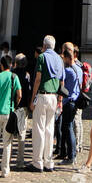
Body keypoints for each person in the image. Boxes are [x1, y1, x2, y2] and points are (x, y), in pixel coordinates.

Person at [29, 34, 64, 173]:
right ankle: (48, 162)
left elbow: (37, 79)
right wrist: (60, 99)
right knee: (50, 130)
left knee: (39, 129)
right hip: (54, 97)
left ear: (44, 45)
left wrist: (33, 99)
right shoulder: (59, 59)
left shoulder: (42, 57)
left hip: (42, 95)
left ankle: (37, 162)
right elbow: (62, 81)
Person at [0, 53, 21, 178]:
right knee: (7, 142)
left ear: (2, 65)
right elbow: (19, 94)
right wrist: (15, 104)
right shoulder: (14, 77)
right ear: (11, 65)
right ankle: (5, 170)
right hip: (9, 111)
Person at [58, 43, 82, 165]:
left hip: (68, 102)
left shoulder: (67, 71)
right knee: (70, 127)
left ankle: (71, 156)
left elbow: (61, 86)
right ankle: (71, 154)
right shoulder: (79, 69)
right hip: (76, 101)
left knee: (67, 128)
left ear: (67, 58)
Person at [12, 53, 32, 170]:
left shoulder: (12, 74)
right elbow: (28, 91)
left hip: (13, 106)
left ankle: (7, 160)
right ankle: (20, 161)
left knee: (9, 132)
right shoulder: (27, 75)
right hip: (23, 106)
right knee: (22, 134)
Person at [74, 44, 92, 159]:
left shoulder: (76, 66)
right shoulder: (80, 65)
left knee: (76, 121)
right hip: (79, 96)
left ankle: (77, 145)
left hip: (76, 96)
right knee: (78, 121)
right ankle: (79, 144)